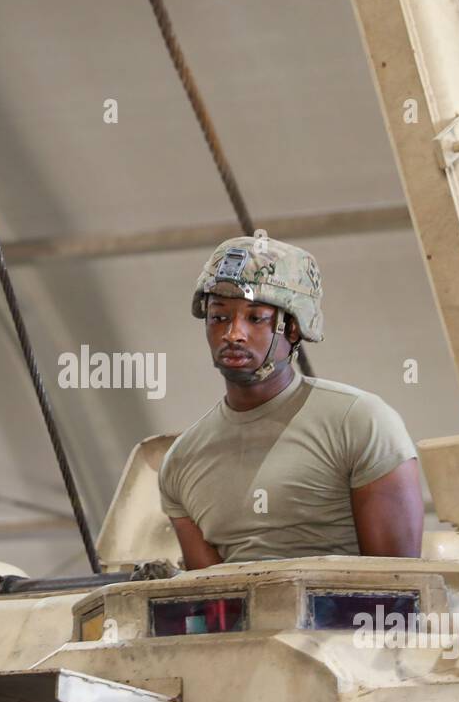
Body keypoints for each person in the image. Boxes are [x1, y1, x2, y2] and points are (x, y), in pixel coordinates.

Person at [158, 232, 424, 570]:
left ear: (293, 329)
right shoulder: (181, 461)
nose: (233, 334)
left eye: (255, 319)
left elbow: (398, 587)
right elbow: (206, 602)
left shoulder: (361, 422)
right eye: (219, 317)